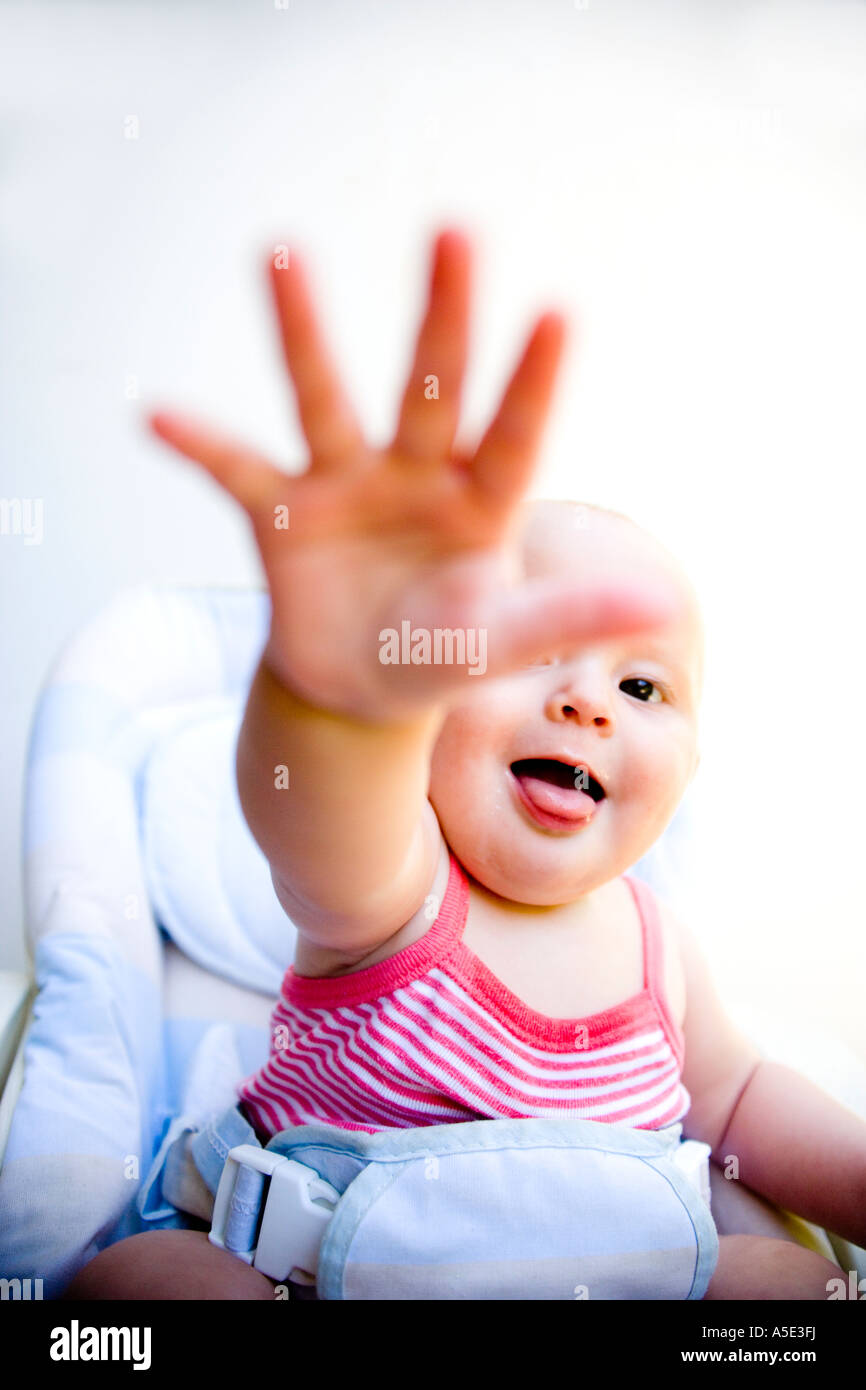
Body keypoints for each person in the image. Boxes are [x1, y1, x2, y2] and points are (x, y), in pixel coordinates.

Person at [64, 229, 865, 1300]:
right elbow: (319, 821)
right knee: (135, 1286)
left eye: (641, 689)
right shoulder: (398, 889)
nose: (583, 700)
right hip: (324, 1276)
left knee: (787, 1287)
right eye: (523, 651)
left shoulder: (659, 949)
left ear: (687, 769)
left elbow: (734, 1099)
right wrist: (335, 697)